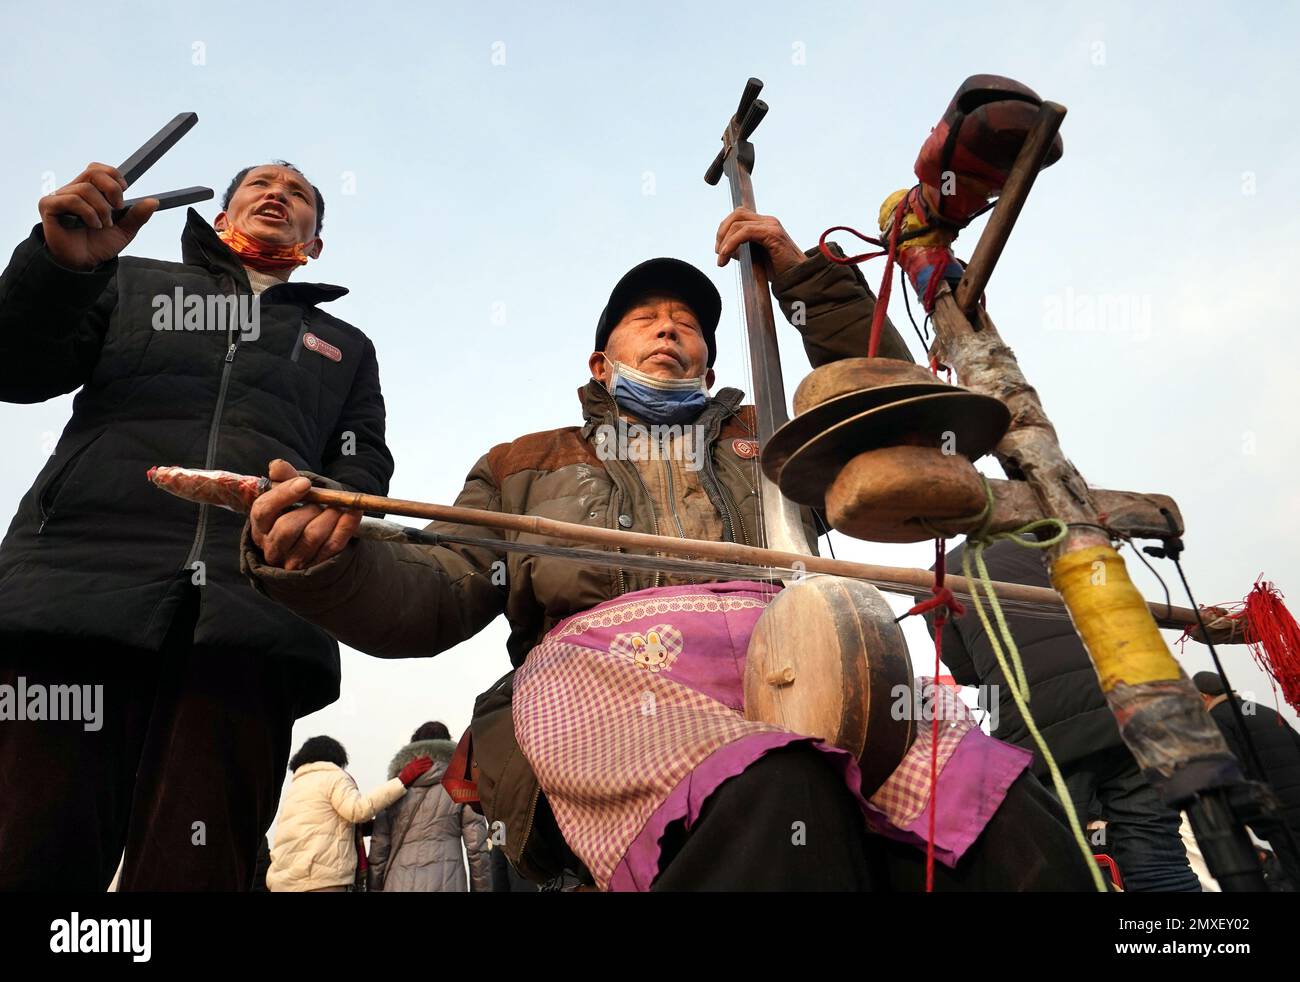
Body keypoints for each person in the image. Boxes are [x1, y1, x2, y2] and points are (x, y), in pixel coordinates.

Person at [241, 207, 1093, 891]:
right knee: (772, 790)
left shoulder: (777, 442)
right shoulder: (526, 462)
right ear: (600, 361)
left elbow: (892, 415)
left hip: (808, 657)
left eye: (688, 323)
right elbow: (434, 587)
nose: (669, 329)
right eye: (644, 319)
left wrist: (804, 282)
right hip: (612, 685)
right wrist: (327, 560)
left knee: (997, 806)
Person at [0, 160, 395, 891]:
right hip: (75, 590)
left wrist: (326, 507)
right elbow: (16, 367)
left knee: (199, 867)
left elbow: (361, 461)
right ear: (220, 217)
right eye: (259, 185)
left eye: (300, 193)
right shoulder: (126, 279)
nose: (278, 194)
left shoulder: (344, 345)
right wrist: (58, 265)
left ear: (317, 238)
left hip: (252, 614)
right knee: (28, 848)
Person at [920, 538, 1201, 891]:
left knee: (1064, 868)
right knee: (1161, 863)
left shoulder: (938, 577)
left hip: (1044, 731)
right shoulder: (1056, 546)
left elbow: (965, 671)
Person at [267, 736, 431, 892]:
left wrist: (366, 828)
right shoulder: (333, 776)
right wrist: (401, 780)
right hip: (321, 879)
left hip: (284, 880)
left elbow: (322, 824)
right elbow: (357, 810)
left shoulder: (296, 787)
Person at [1194, 670, 1300, 884]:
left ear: (1203, 696)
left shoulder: (1216, 721)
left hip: (1279, 816)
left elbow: (1231, 777)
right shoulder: (1265, 711)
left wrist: (1259, 824)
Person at [367, 722, 492, 892]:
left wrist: (374, 888)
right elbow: (477, 849)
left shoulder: (395, 788)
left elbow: (378, 852)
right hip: (448, 882)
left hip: (398, 883)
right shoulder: (461, 785)